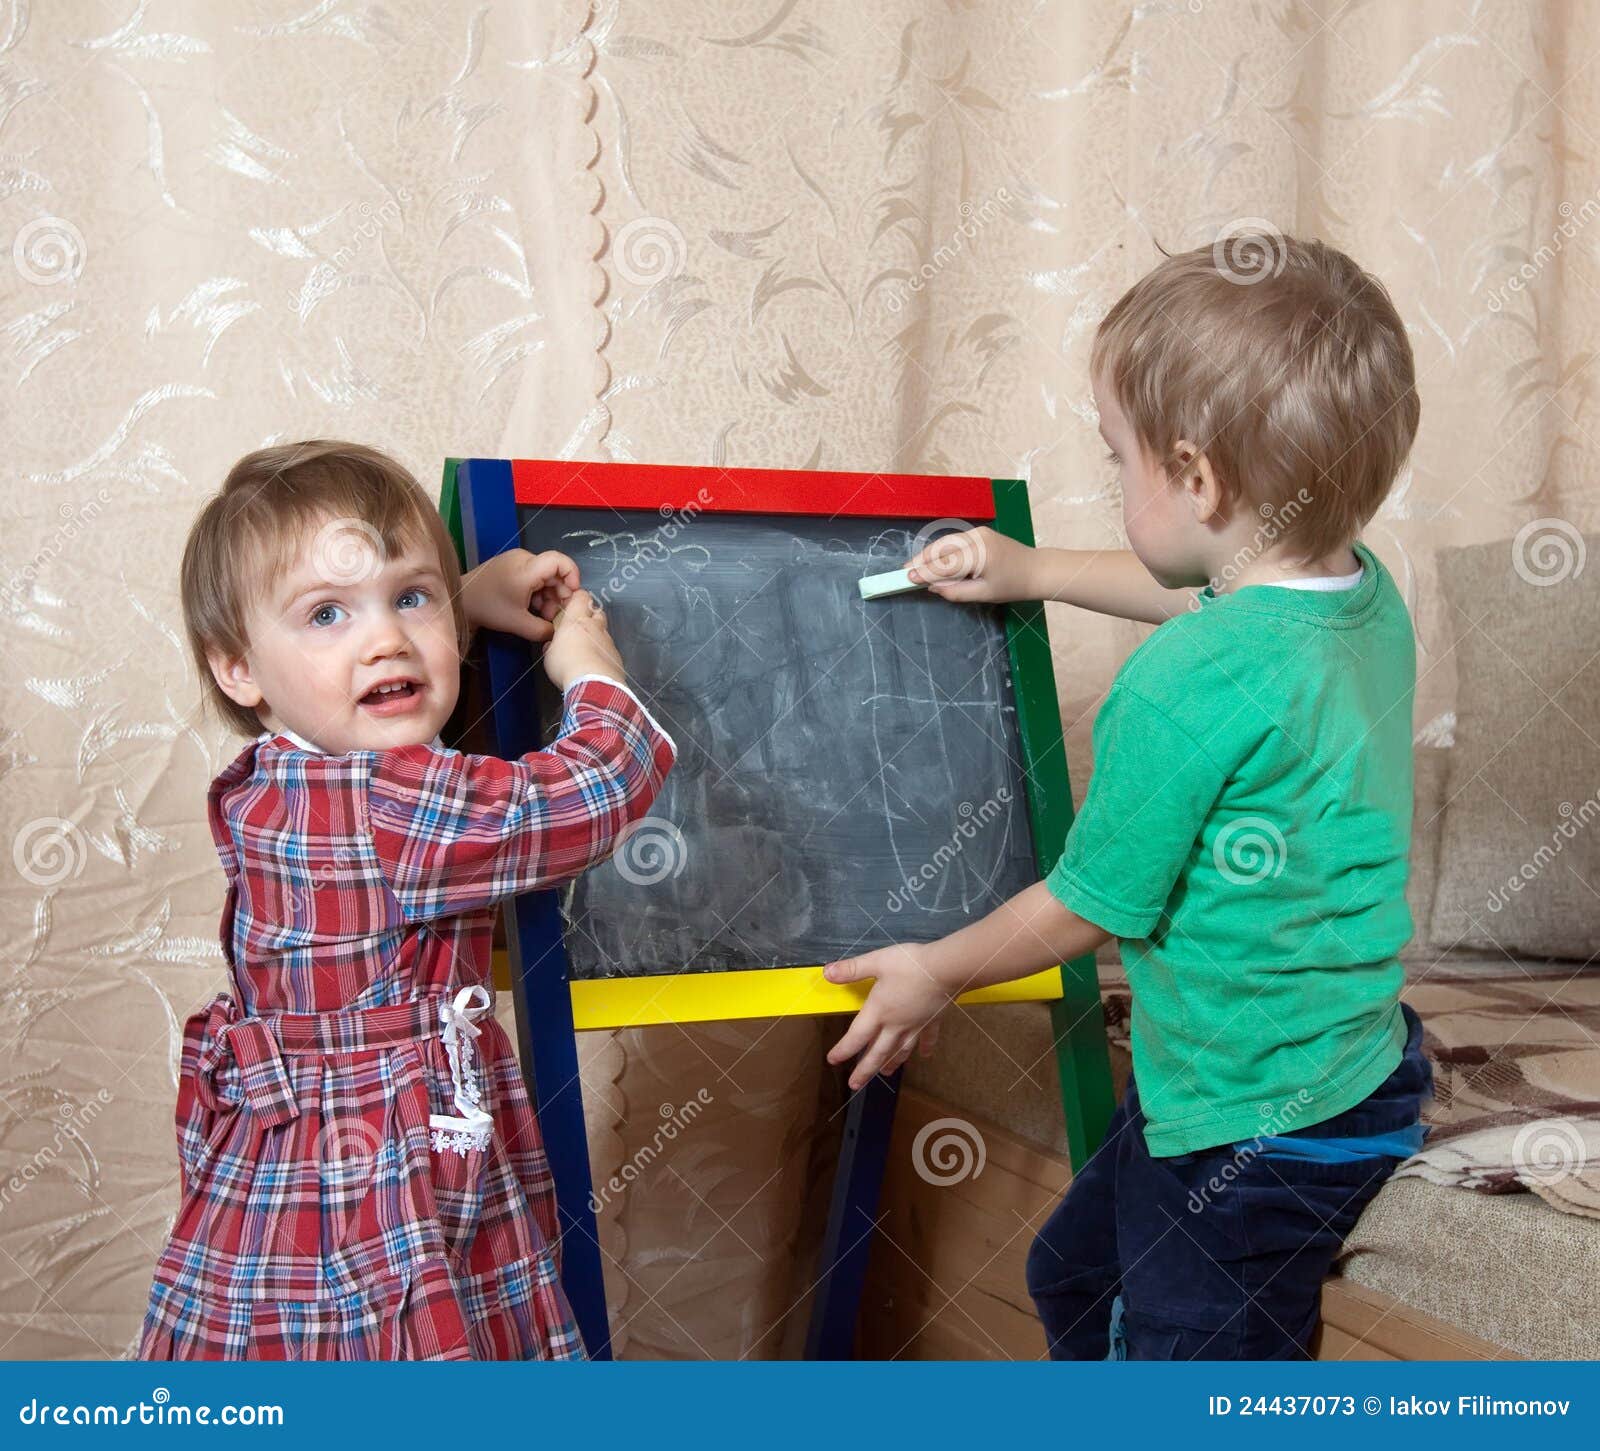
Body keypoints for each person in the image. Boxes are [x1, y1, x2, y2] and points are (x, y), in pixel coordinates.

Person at [824, 234, 1434, 1359]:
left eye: (1118, 457)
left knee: (1189, 1367)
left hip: (1260, 1123)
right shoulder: (1359, 595)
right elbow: (1220, 602)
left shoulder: (1176, 688)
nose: (1114, 476)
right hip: (1352, 1060)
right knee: (1070, 1273)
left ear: (1196, 476)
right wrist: (1033, 568)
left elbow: (1084, 904)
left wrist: (935, 968)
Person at [140, 439, 675, 1359]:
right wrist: (592, 668)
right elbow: (595, 792)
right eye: (327, 613)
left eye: (410, 597)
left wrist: (461, 600)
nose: (385, 638)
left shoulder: (277, 777)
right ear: (238, 669)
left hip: (289, 1160)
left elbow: (362, 672)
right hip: (386, 1171)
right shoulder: (395, 799)